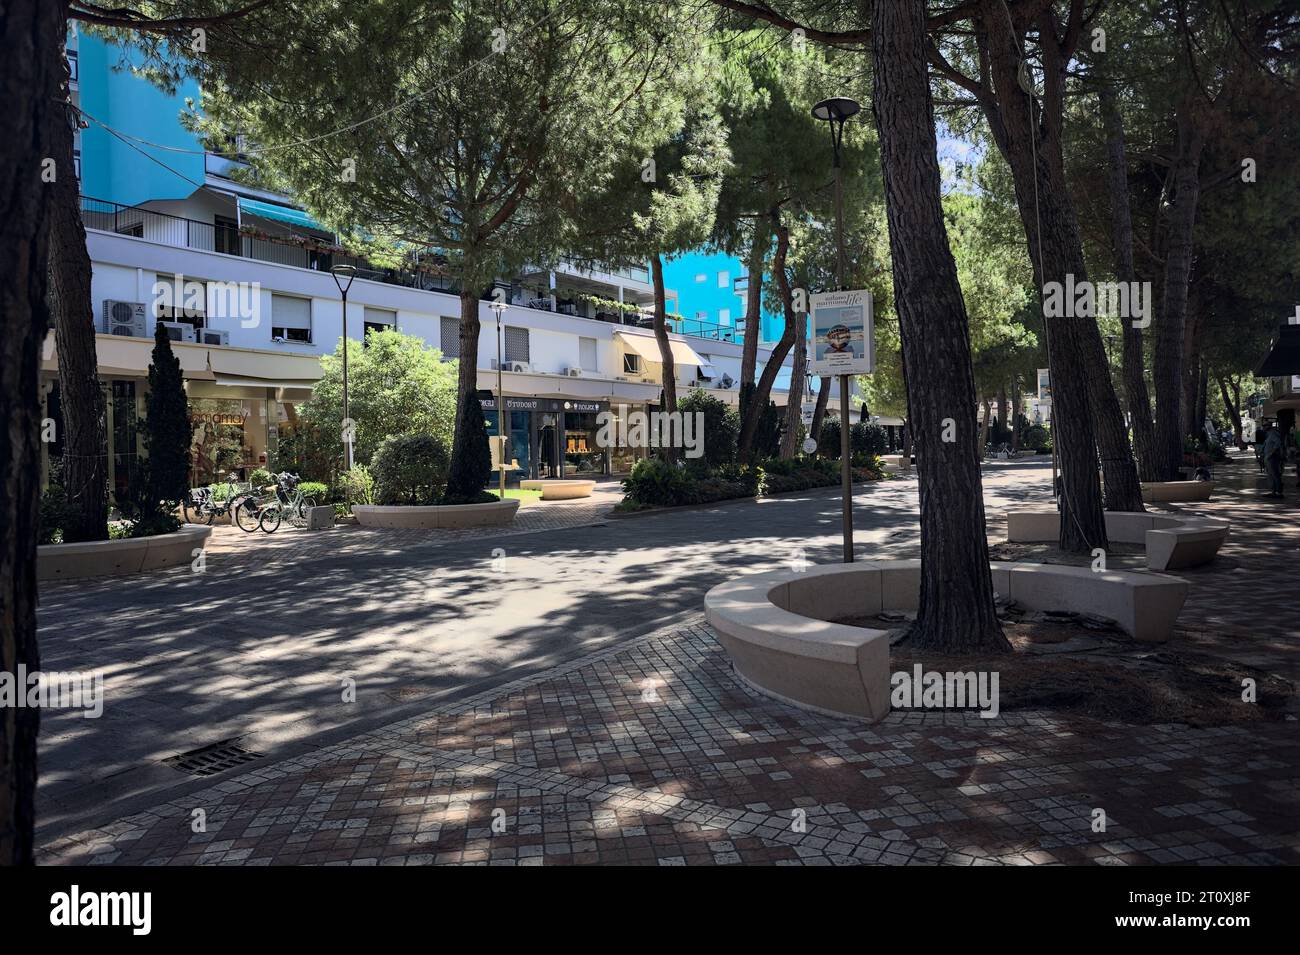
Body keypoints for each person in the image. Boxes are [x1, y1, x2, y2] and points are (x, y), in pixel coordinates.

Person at [1261, 422, 1284, 497]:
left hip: (1272, 458)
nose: (1263, 427)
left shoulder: (1273, 434)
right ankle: (1273, 491)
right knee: (1270, 475)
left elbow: (1278, 443)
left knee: (1275, 475)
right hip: (1268, 458)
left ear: (1269, 426)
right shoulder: (1268, 435)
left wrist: (1271, 453)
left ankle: (1279, 492)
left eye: (1264, 425)